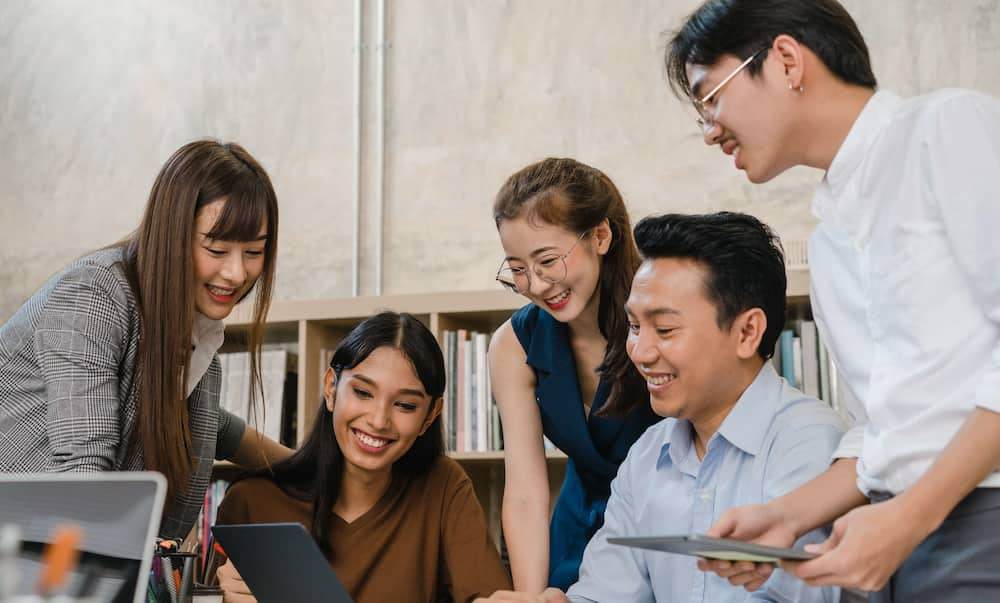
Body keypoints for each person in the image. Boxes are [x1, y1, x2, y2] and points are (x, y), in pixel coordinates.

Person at [664, 1, 1000, 600]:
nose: (709, 128)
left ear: (786, 60)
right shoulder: (830, 240)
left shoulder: (947, 128)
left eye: (710, 96)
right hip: (884, 533)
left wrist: (909, 517)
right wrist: (785, 517)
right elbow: (886, 435)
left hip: (979, 521)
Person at [475, 212, 844, 603]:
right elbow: (606, 594)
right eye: (634, 327)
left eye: (664, 330)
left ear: (747, 332)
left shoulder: (809, 443)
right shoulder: (649, 455)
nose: (640, 352)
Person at [0, 140, 291, 539]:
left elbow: (210, 425)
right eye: (217, 248)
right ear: (173, 235)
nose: (237, 274)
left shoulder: (193, 332)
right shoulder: (95, 296)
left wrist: (304, 467)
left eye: (254, 252)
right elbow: (84, 467)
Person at [212, 311, 512, 602]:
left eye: (405, 405)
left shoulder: (443, 485)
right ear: (331, 388)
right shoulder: (251, 502)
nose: (379, 420)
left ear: (430, 416)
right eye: (363, 393)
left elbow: (486, 596)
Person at [488, 158, 662, 592]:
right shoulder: (513, 345)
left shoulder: (662, 319)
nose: (537, 284)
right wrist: (530, 597)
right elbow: (526, 494)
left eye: (547, 259)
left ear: (600, 235)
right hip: (575, 528)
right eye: (517, 268)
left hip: (662, 527)